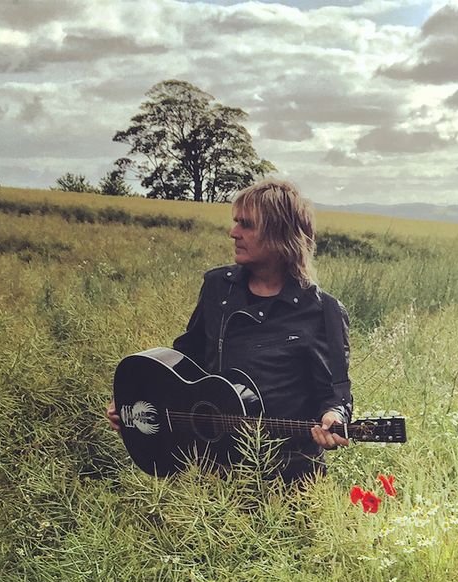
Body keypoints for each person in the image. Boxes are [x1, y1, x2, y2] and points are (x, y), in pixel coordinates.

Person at [107, 178, 351, 482]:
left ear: (280, 234)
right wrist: (137, 401)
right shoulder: (218, 287)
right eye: (235, 222)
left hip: (289, 472)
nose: (233, 232)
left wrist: (334, 417)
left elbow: (334, 393)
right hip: (211, 467)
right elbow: (185, 358)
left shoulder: (323, 312)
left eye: (246, 225)